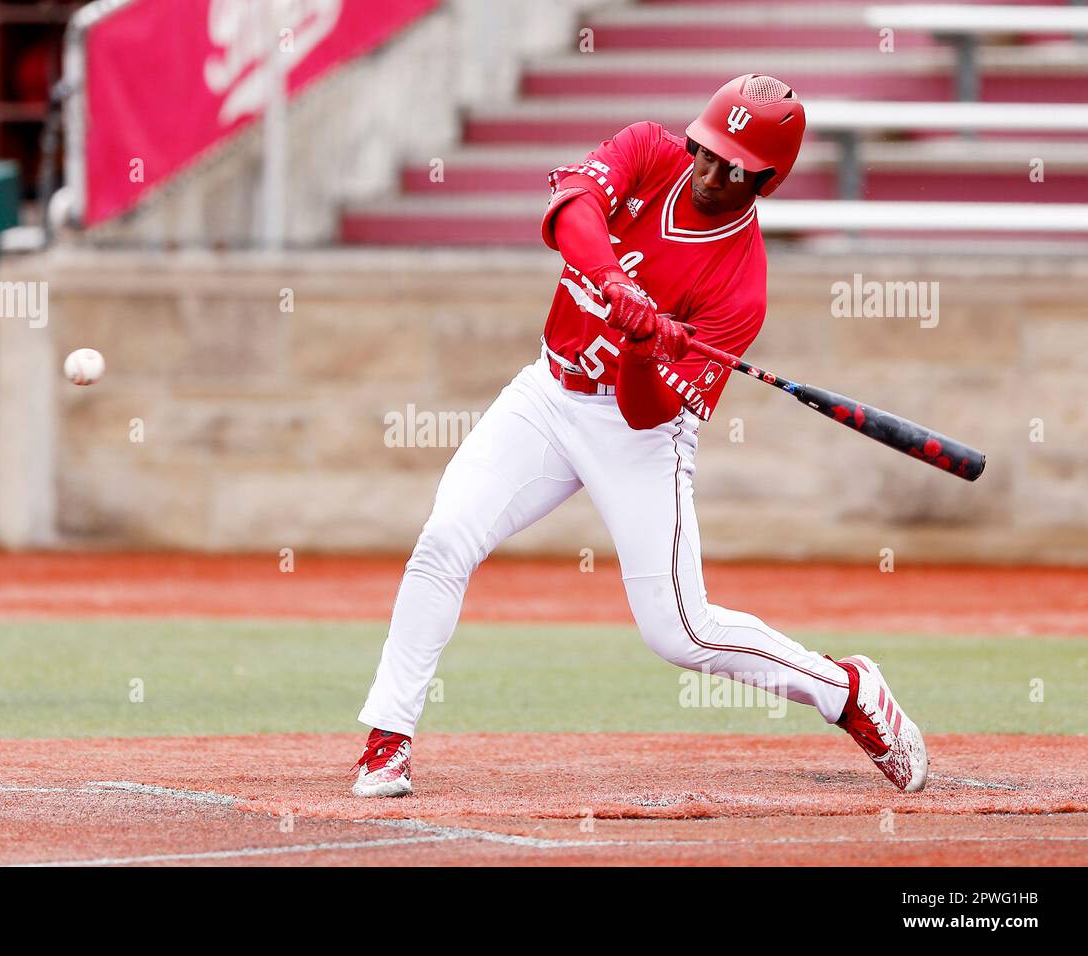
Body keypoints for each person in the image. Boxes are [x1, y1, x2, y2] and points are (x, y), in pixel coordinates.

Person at [352, 74, 928, 798]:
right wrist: (619, 289)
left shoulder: (738, 287)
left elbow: (647, 414)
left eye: (733, 168)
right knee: (443, 541)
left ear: (766, 180)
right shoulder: (649, 152)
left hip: (638, 437)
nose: (710, 173)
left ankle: (848, 691)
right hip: (546, 391)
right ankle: (387, 739)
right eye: (708, 152)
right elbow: (569, 211)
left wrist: (640, 348)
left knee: (679, 633)